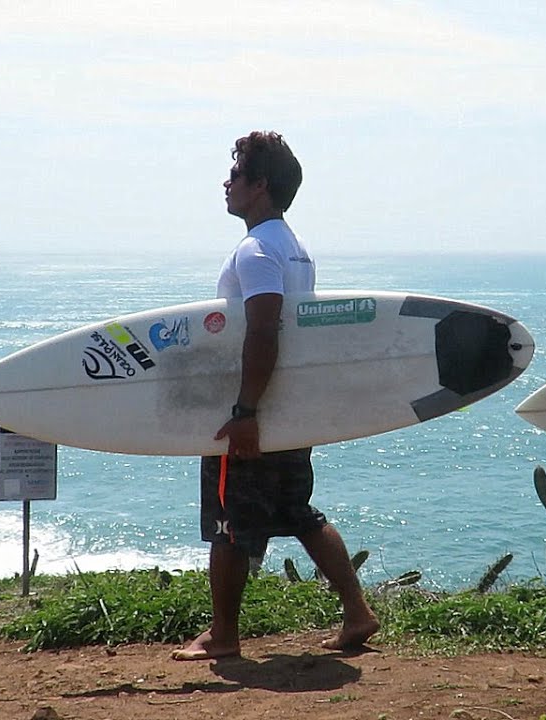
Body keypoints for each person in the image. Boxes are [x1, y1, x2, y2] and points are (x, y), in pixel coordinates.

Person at [173, 131, 379, 661]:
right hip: (289, 409)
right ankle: (357, 613)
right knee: (297, 510)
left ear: (259, 185)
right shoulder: (295, 248)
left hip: (255, 409)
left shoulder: (258, 250)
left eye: (236, 172)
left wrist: (244, 411)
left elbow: (264, 331)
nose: (227, 181)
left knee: (228, 523)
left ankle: (222, 636)